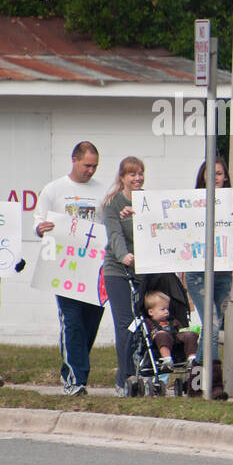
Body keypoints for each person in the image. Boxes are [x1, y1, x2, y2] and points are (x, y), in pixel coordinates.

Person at [34, 141, 107, 395]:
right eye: (87, 165)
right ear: (74, 160)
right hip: (65, 269)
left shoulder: (103, 191)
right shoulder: (54, 190)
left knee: (90, 323)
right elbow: (38, 220)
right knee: (72, 322)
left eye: (95, 166)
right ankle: (74, 379)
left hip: (95, 270)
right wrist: (40, 228)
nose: (91, 171)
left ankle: (79, 371)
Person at [185, 157, 233, 374]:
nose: (215, 177)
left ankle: (197, 379)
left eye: (218, 173)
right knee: (212, 322)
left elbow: (232, 228)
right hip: (198, 271)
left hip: (223, 271)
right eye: (210, 173)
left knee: (213, 325)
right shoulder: (192, 200)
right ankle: (213, 380)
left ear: (225, 176)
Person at [102, 157, 145, 396]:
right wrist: (124, 255)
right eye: (132, 174)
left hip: (144, 269)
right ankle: (125, 378)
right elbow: (115, 235)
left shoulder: (147, 201)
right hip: (118, 269)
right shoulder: (113, 204)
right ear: (122, 177)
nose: (137, 178)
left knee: (145, 324)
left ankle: (143, 372)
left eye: (140, 173)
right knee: (126, 322)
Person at [143, 289, 198, 369]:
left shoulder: (173, 321)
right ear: (151, 312)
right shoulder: (148, 322)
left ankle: (192, 358)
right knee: (162, 335)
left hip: (176, 342)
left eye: (167, 309)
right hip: (158, 345)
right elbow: (148, 335)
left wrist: (187, 331)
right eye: (162, 309)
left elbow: (181, 331)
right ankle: (167, 359)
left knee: (190, 334)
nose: (166, 311)